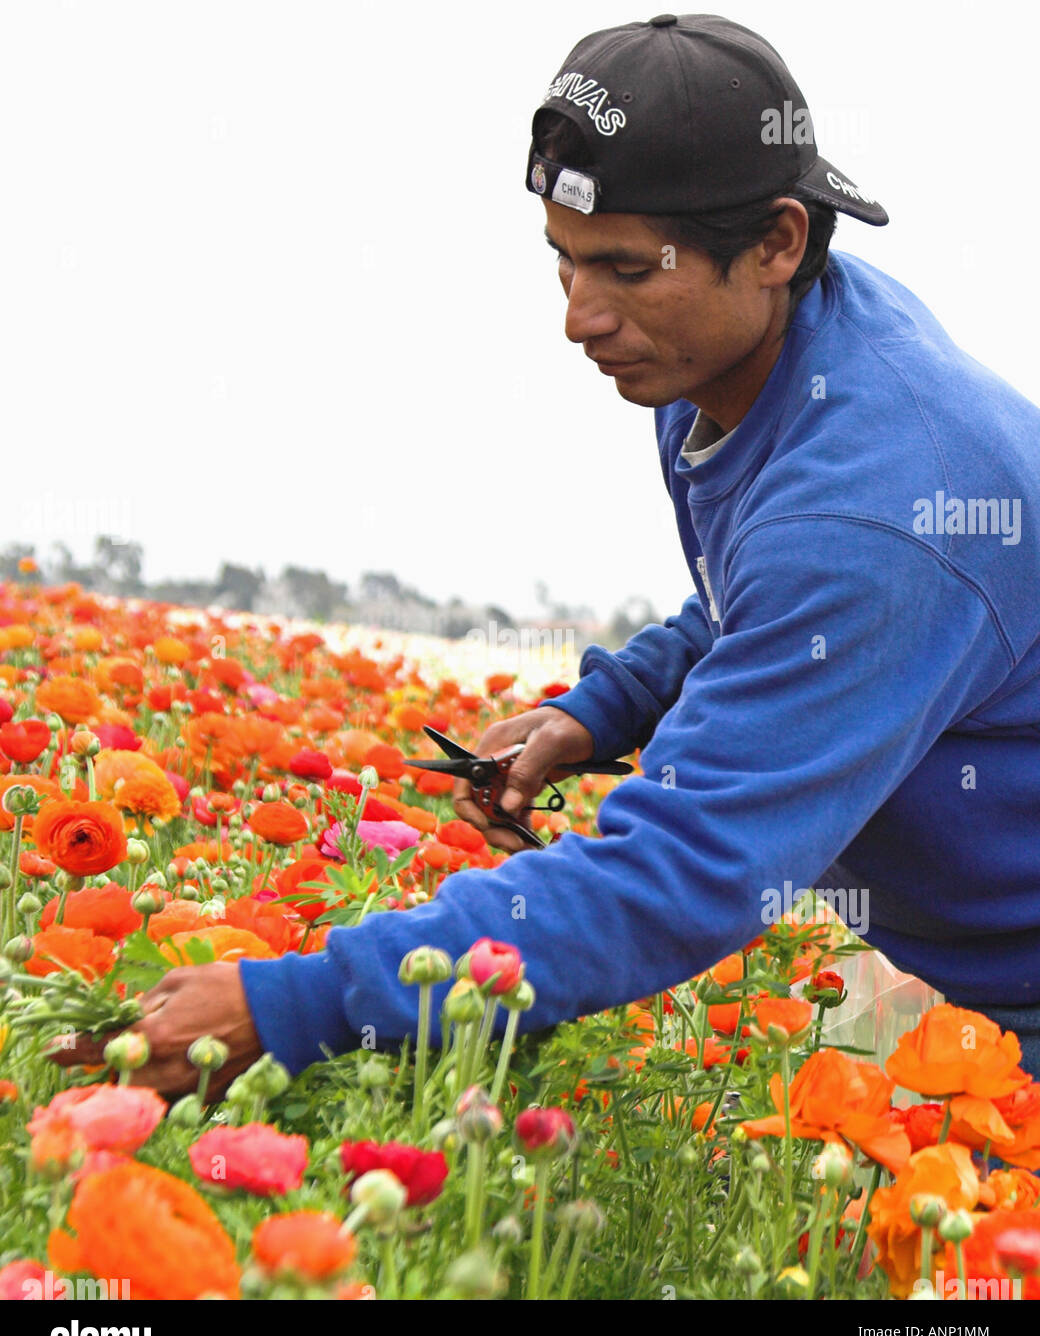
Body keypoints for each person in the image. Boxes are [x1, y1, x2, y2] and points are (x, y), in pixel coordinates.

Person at [59, 13, 1040, 1093]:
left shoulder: (875, 507)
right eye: (563, 264)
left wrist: (295, 1002)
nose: (579, 318)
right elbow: (746, 600)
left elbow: (683, 872)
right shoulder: (745, 357)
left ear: (776, 242)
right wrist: (602, 710)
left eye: (623, 270)